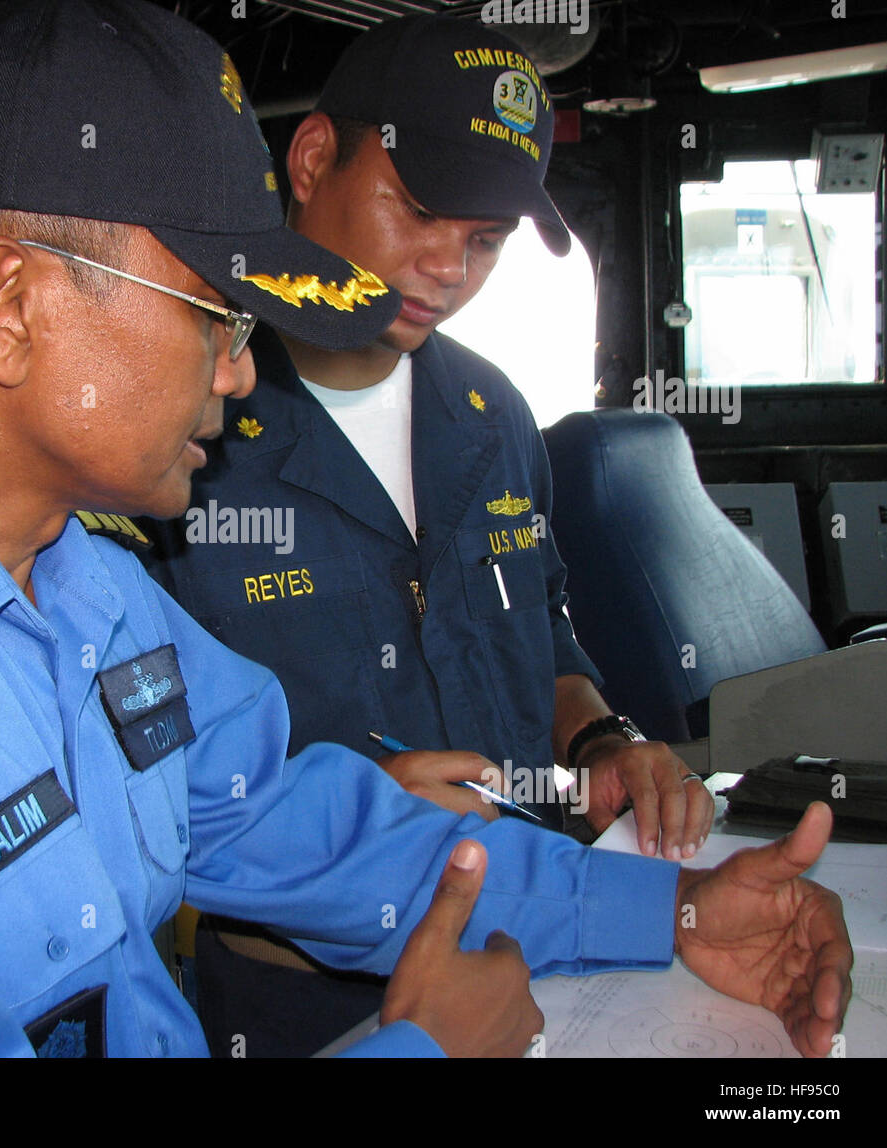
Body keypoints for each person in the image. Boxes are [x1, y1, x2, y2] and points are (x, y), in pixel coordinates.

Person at [0, 0, 850, 1060]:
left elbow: (307, 824)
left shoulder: (90, 590)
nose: (243, 375)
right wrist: (408, 1049)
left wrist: (675, 912)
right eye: (212, 315)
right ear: (11, 307)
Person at [140, 15, 717, 1055]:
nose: (450, 266)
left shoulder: (493, 418)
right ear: (313, 159)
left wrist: (598, 741)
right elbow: (130, 782)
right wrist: (348, 813)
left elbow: (541, 633)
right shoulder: (171, 440)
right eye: (419, 210)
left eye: (487, 239)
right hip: (303, 996)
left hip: (532, 944)